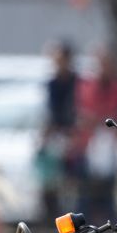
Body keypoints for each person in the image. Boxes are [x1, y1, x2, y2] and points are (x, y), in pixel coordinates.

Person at [74, 45, 117, 225]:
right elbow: (83, 113)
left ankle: (111, 223)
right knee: (86, 189)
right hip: (90, 143)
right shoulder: (87, 87)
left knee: (109, 189)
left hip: (111, 141)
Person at [38, 40, 81, 218]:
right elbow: (49, 112)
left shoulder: (77, 83)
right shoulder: (51, 84)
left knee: (72, 181)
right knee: (49, 181)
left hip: (73, 135)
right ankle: (50, 217)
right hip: (55, 136)